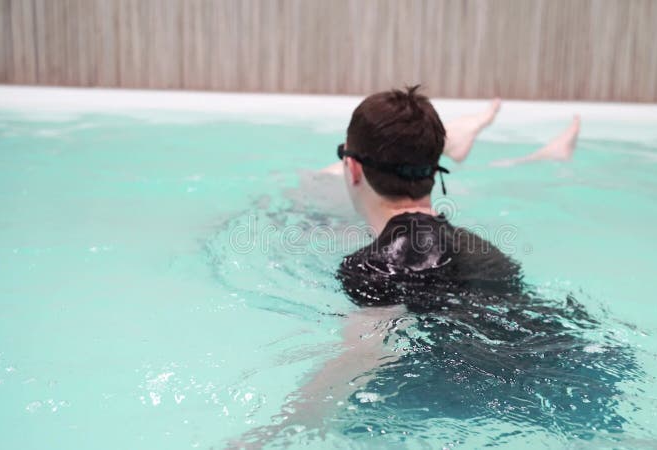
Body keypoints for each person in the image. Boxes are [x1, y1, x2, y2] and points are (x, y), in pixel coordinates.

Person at [236, 87, 636, 446]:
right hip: (573, 360)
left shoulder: (376, 267)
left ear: (353, 168)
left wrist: (278, 429)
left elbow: (361, 355)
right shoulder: (485, 250)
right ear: (433, 171)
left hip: (466, 387)